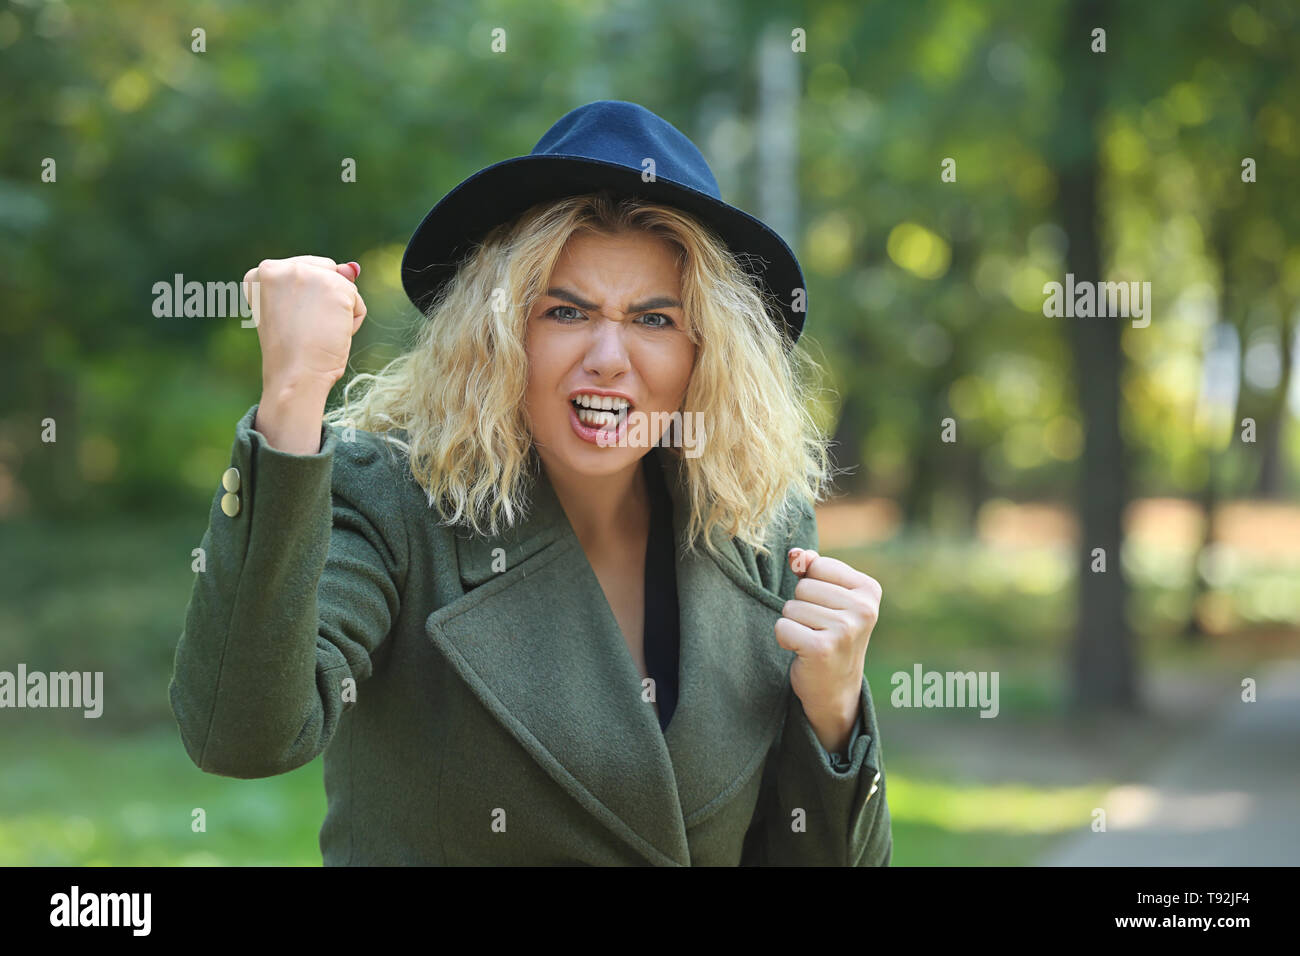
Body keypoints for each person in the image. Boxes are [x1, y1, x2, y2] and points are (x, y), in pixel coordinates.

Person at [169, 100, 892, 865]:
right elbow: (241, 734)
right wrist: (291, 399)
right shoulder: (391, 500)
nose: (609, 357)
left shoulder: (758, 528)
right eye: (566, 311)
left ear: (706, 353)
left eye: (653, 320)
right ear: (498, 336)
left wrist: (836, 714)